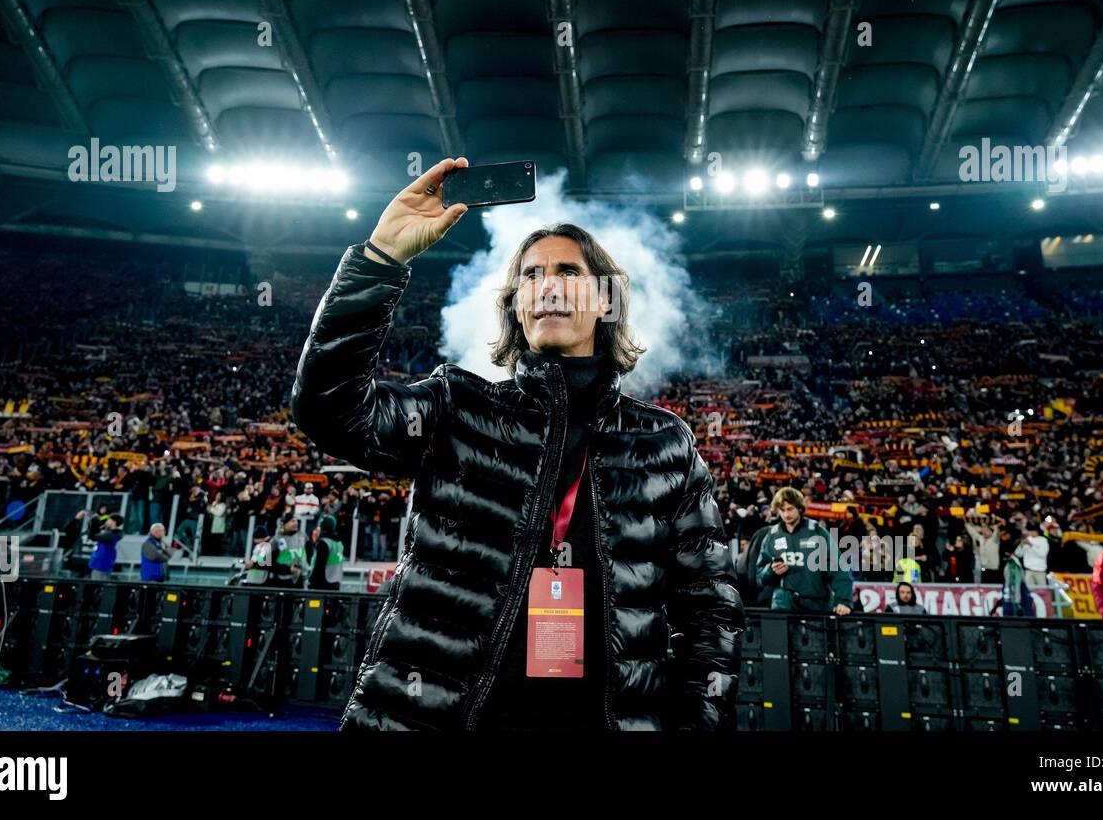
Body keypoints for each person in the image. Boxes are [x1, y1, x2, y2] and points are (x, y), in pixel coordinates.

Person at [290, 157, 743, 731]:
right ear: (517, 306)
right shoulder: (456, 406)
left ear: (605, 300)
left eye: (568, 272)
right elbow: (329, 408)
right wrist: (381, 258)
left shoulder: (665, 444)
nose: (546, 285)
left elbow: (709, 615)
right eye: (530, 276)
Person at [753, 487, 853, 615]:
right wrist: (771, 571)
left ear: (800, 508)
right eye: (782, 510)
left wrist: (843, 601)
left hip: (817, 604)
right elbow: (759, 576)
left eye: (790, 509)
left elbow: (838, 567)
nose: (786, 514)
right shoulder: (772, 535)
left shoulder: (817, 531)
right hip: (783, 605)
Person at [308, 515, 344, 591]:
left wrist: (312, 581)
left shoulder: (324, 543)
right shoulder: (339, 543)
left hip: (323, 583)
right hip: (335, 581)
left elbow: (319, 565)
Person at [88, 513, 123, 580]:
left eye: (108, 520)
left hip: (100, 565)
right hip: (104, 565)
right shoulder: (112, 534)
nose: (106, 522)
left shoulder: (110, 535)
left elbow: (93, 536)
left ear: (114, 522)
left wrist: (94, 522)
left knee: (96, 585)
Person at [1017, 523, 1050, 589]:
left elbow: (1042, 554)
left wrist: (1031, 545)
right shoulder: (1027, 540)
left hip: (1040, 572)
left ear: (1037, 531)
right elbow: (1019, 554)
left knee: (1042, 592)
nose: (1030, 532)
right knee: (1028, 592)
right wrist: (1021, 545)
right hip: (1028, 571)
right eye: (1029, 531)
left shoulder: (1043, 540)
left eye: (1032, 531)